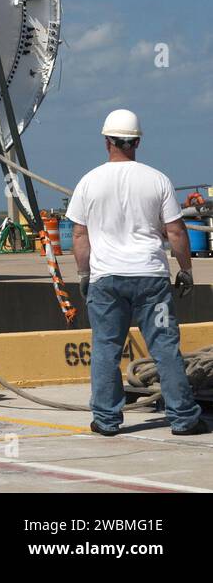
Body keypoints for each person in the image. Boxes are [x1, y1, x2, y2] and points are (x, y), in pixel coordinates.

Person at [67, 109, 208, 436]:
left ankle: (106, 420)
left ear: (107, 141)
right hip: (151, 279)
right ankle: (184, 419)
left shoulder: (88, 182)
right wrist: (186, 270)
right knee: (164, 349)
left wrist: (84, 274)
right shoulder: (157, 179)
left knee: (105, 349)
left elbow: (78, 235)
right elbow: (175, 232)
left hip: (106, 281)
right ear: (137, 141)